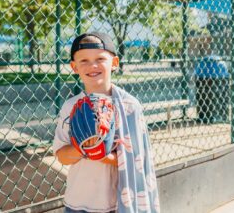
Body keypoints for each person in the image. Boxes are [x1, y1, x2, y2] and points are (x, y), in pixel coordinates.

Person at [53, 32, 160, 213]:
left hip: (117, 205)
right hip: (78, 202)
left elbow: (137, 161)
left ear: (115, 63)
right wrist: (82, 147)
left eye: (100, 59)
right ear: (74, 67)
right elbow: (61, 156)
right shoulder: (71, 107)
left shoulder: (129, 106)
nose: (92, 65)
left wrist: (97, 150)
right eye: (84, 61)